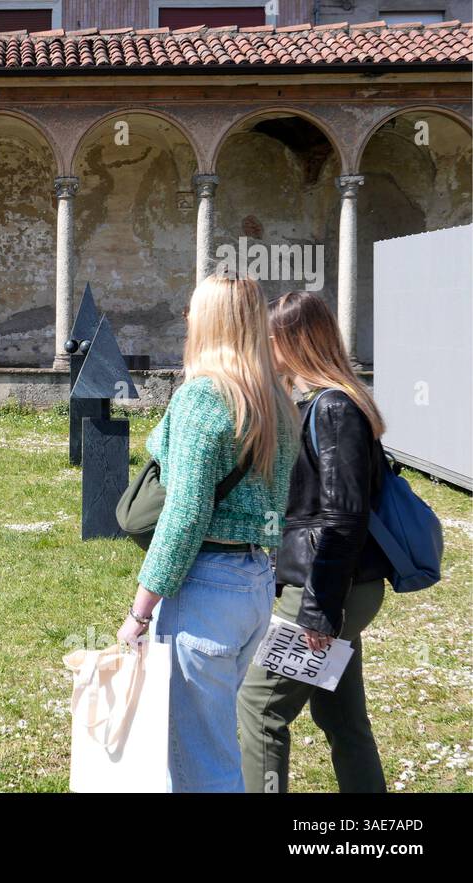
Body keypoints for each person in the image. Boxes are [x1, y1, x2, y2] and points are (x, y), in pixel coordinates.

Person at [115, 274, 299, 792]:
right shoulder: (276, 399)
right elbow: (277, 504)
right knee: (213, 745)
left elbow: (185, 516)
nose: (186, 318)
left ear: (210, 321)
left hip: (207, 589)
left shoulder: (202, 398)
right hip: (253, 583)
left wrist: (139, 612)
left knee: (202, 766)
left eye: (193, 310)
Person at [238, 290, 391, 793]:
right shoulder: (324, 403)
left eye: (268, 337)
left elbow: (343, 518)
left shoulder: (333, 408)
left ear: (293, 340)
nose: (262, 347)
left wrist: (317, 610)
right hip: (338, 586)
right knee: (341, 717)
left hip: (325, 588)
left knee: (260, 708)